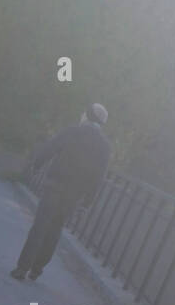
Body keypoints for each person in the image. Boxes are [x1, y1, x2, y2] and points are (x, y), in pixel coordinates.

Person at [10, 103, 110, 281]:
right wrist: (88, 201)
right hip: (74, 195)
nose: (81, 115)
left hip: (55, 186)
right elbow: (98, 177)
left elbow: (51, 147)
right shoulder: (104, 146)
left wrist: (36, 165)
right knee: (55, 230)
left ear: (87, 116)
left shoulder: (73, 131)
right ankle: (37, 269)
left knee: (39, 227)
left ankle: (22, 268)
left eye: (83, 113)